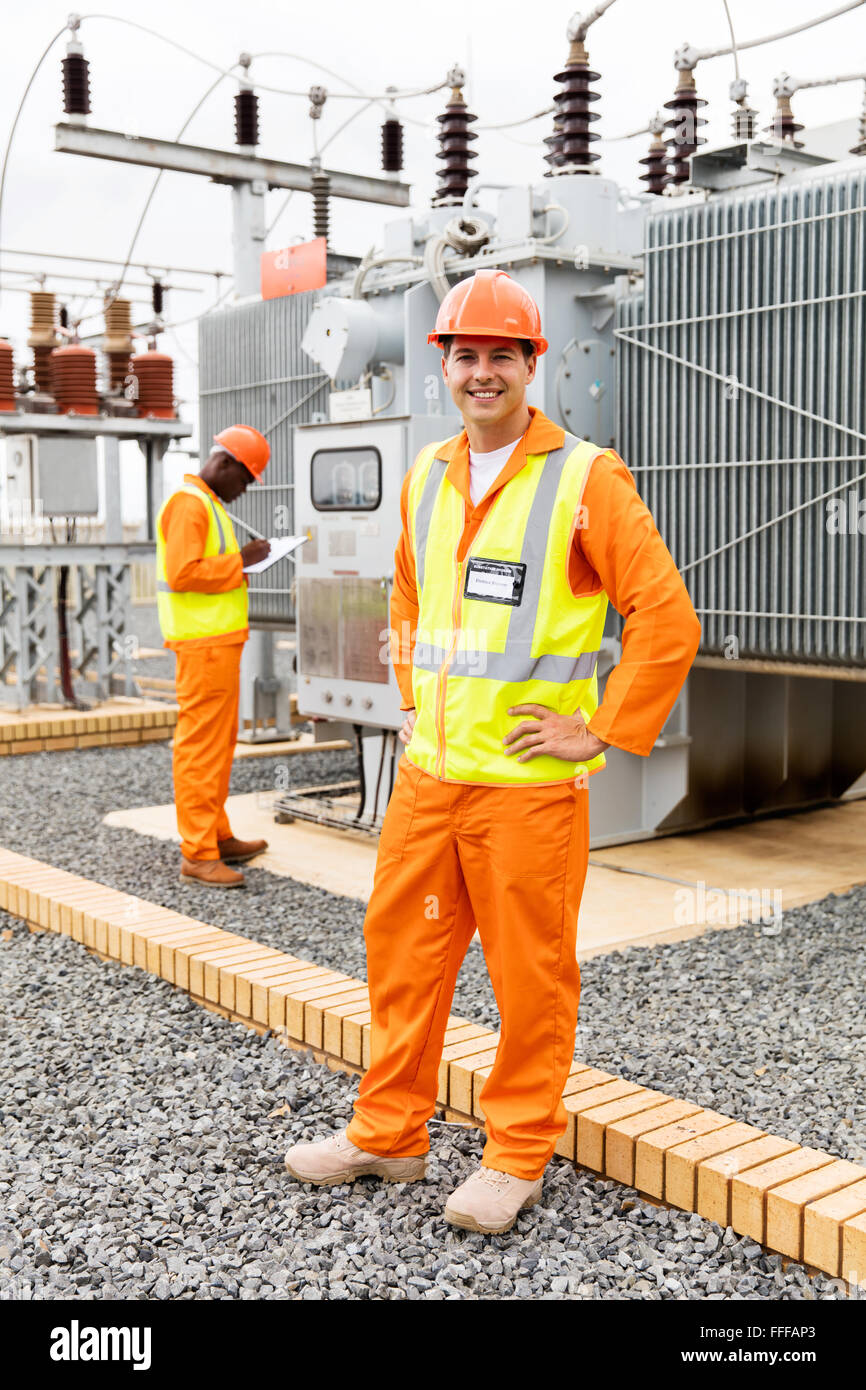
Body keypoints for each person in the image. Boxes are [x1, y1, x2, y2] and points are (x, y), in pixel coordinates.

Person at [284, 269, 702, 1232]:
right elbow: (406, 595)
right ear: (443, 366)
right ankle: (389, 1134)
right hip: (431, 781)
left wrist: (596, 729)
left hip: (527, 793)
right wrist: (414, 697)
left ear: (531, 364)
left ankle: (515, 1154)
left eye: (500, 356)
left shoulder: (586, 478)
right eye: (465, 355)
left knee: (529, 978)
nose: (482, 373)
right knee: (403, 961)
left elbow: (664, 618)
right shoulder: (428, 474)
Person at [155, 425, 272, 889]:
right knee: (201, 750)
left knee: (217, 746)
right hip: (203, 648)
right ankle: (199, 854)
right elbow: (183, 574)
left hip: (217, 646)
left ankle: (216, 836)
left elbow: (202, 571)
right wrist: (241, 562)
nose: (243, 491)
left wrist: (239, 565)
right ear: (224, 464)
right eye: (244, 480)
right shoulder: (190, 505)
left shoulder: (207, 504)